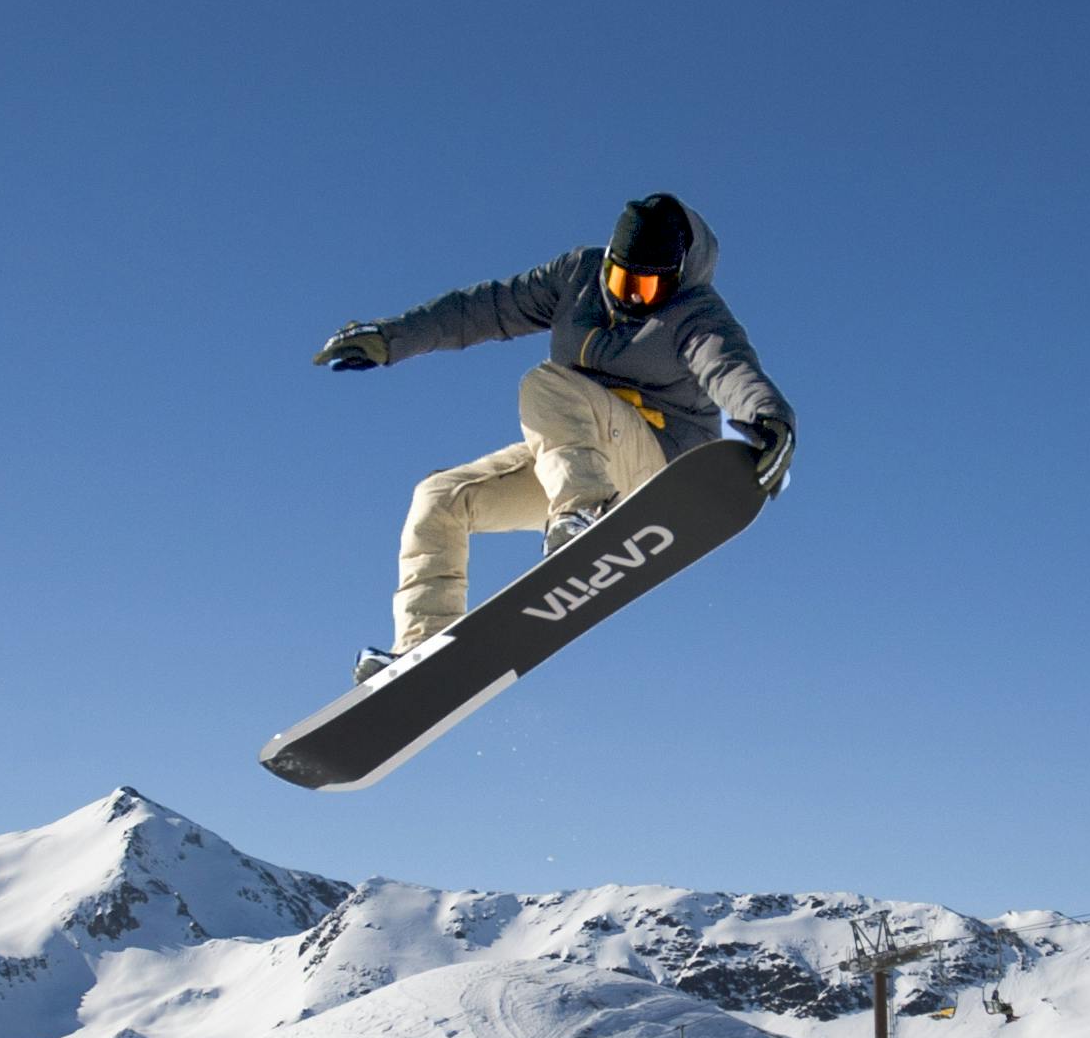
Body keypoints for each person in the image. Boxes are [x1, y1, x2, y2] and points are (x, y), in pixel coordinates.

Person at [316, 193, 795, 681]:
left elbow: (729, 367)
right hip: (577, 457)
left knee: (547, 385)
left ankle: (582, 515)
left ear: (672, 279)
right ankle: (423, 652)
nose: (630, 296)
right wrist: (391, 338)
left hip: (654, 457)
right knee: (440, 498)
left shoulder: (696, 312)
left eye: (646, 287)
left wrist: (768, 419)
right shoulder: (576, 277)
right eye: (622, 278)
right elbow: (483, 309)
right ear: (607, 260)